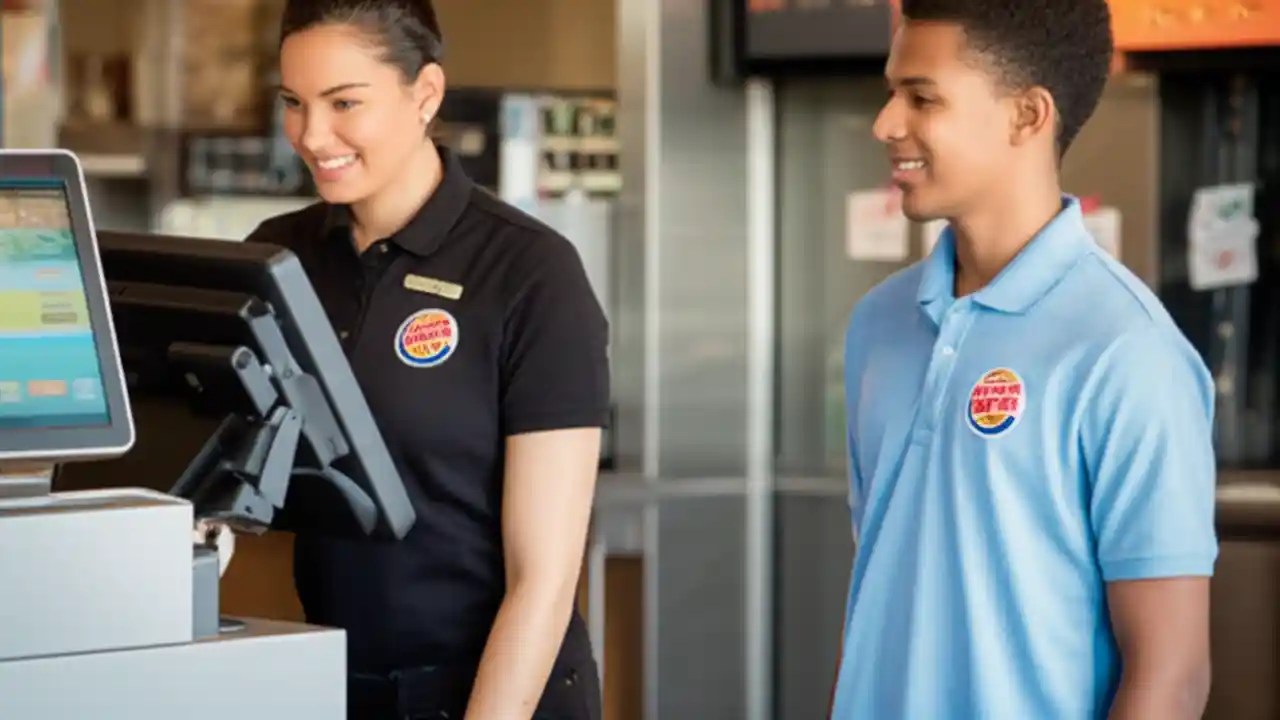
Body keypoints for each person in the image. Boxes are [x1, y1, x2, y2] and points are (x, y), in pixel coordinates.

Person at [832, 1, 1217, 718]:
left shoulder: (1128, 352)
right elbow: (879, 598)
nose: (885, 123)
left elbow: (1170, 677)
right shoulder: (876, 327)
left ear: (1026, 116)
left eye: (922, 98)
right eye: (891, 93)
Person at [244, 1, 609, 717]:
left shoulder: (531, 273)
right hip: (339, 686)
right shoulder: (278, 258)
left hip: (500, 693)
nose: (312, 135)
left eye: (344, 103)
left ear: (426, 94)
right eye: (294, 103)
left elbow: (542, 579)